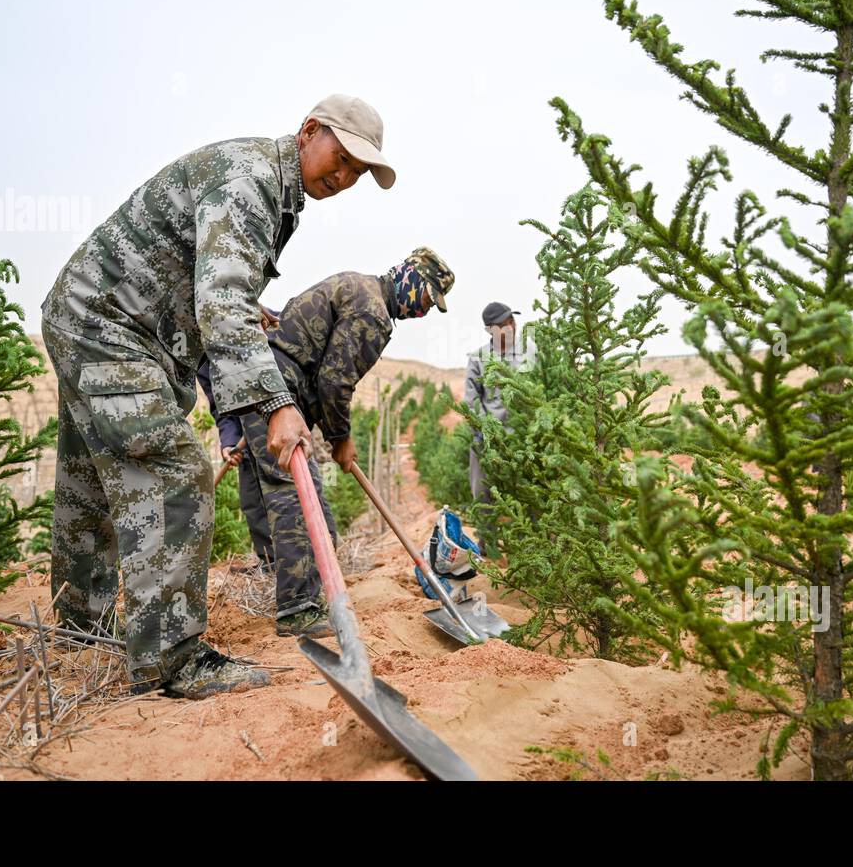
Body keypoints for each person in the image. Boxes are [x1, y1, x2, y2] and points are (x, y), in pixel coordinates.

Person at [41, 94, 396, 699]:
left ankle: (81, 631)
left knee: (90, 479)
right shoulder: (252, 180)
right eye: (339, 159)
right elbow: (220, 302)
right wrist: (277, 405)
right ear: (309, 131)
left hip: (89, 314)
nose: (343, 178)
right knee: (177, 473)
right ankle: (171, 660)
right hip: (113, 327)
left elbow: (210, 278)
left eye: (357, 173)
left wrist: (248, 309)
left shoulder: (271, 187)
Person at [200, 248, 454, 636]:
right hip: (276, 383)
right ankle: (298, 606)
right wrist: (341, 437)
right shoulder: (374, 312)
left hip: (256, 374)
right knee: (298, 494)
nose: (422, 311)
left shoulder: (359, 284)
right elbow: (335, 381)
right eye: (426, 299)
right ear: (410, 280)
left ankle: (274, 571)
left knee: (261, 482)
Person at [463, 301, 533, 504]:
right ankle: (487, 533)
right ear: (490, 330)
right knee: (482, 490)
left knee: (531, 492)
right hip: (489, 435)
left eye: (512, 320)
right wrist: (489, 432)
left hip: (524, 436)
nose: (510, 327)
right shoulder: (478, 359)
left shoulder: (530, 353)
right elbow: (471, 401)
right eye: (503, 325)